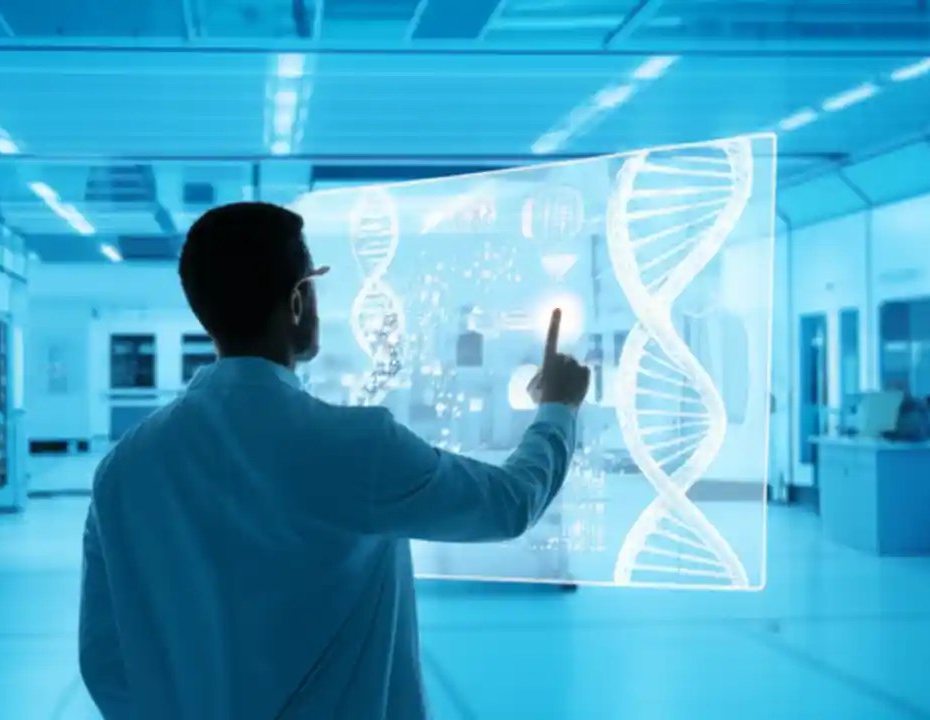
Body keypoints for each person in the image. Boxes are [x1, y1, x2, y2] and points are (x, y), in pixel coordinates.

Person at [79, 202, 590, 719]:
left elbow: (104, 661)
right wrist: (558, 408)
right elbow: (508, 504)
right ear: (298, 300)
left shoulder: (125, 469)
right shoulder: (359, 448)